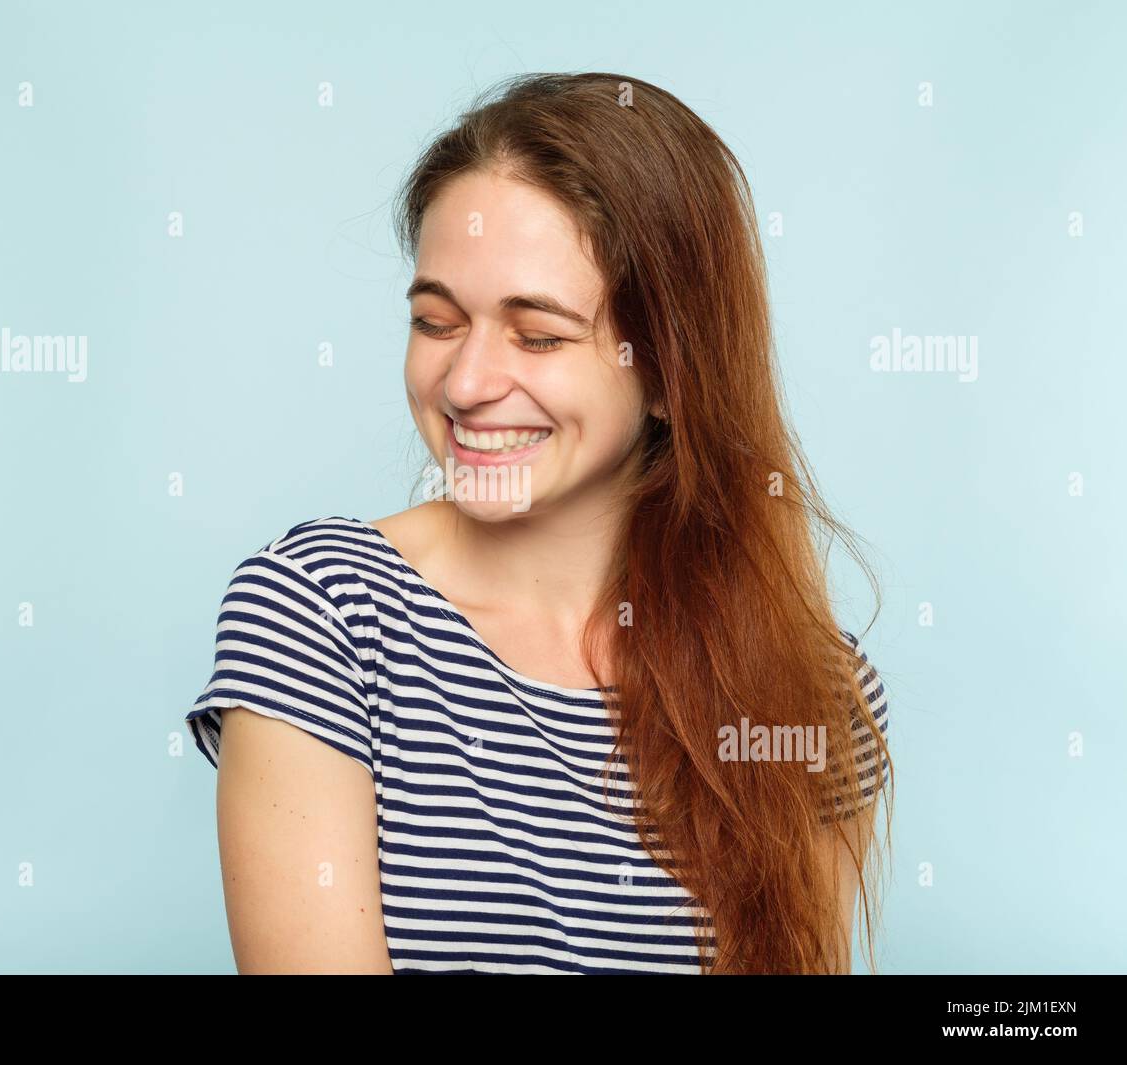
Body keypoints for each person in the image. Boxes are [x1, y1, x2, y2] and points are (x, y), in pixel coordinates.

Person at [186, 71, 893, 975]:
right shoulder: (320, 615)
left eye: (539, 335)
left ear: (674, 374)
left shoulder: (819, 694)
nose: (466, 383)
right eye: (437, 321)